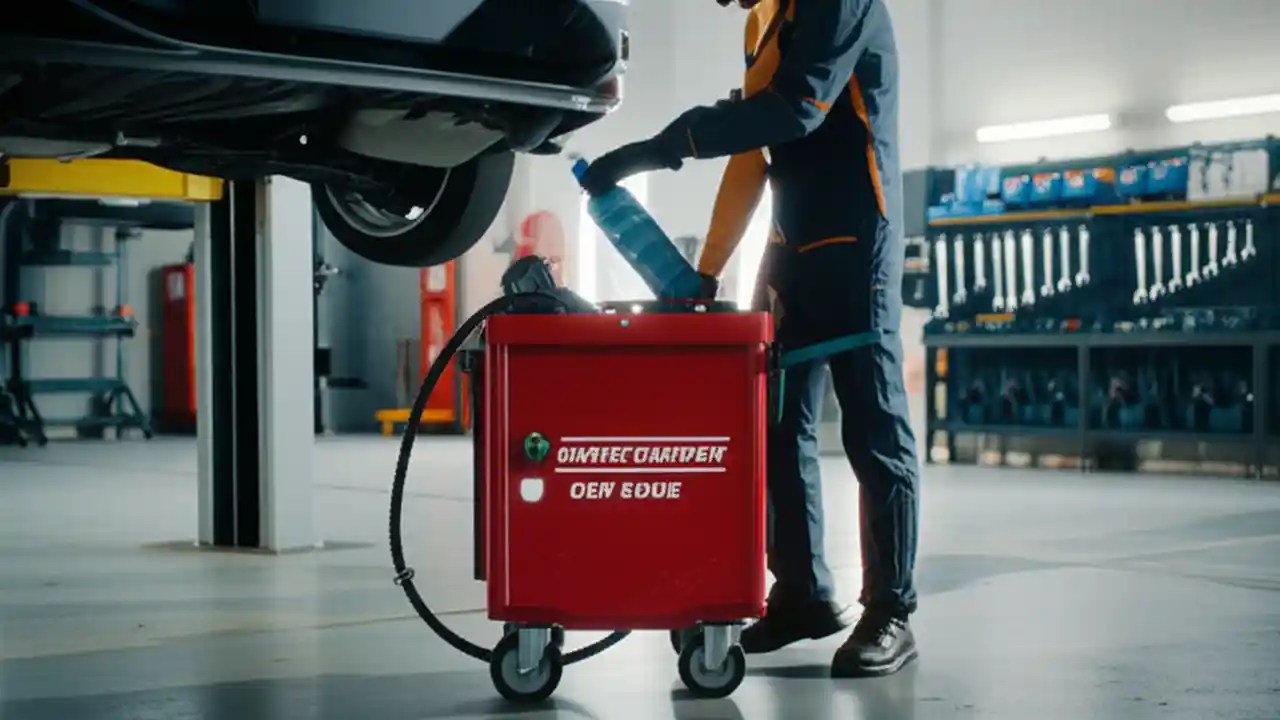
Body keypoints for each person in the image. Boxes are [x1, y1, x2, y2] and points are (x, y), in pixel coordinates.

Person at [579, 0, 919, 678]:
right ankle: (801, 594)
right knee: (777, 426)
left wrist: (664, 146)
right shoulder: (763, 22)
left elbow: (797, 108)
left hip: (858, 245)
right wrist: (707, 268)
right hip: (789, 249)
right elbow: (752, 156)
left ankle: (891, 611)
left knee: (874, 431)